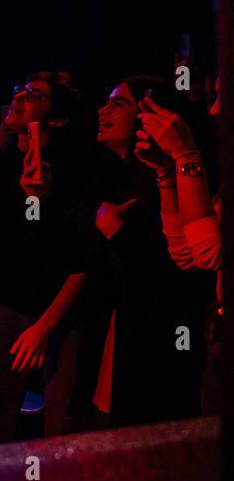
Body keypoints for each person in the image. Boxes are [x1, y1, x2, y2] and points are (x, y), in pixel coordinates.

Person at [0, 73, 94, 444]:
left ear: (57, 119)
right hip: (6, 306)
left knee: (60, 437)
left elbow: (80, 263)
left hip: (61, 315)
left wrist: (43, 327)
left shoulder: (75, 170)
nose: (20, 97)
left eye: (34, 95)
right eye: (20, 91)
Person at [84, 76, 212, 427]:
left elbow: (178, 270)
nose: (102, 111)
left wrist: (115, 230)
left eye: (118, 104)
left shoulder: (167, 178)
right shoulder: (113, 175)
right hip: (123, 327)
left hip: (161, 338)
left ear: (148, 116)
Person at [136, 78, 222, 414]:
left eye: (223, 97)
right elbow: (186, 255)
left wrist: (186, 155)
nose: (213, 110)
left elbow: (208, 254)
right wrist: (167, 172)